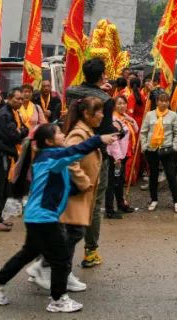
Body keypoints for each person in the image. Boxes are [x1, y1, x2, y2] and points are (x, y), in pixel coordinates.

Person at [0, 123, 120, 313]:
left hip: (38, 215)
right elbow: (76, 151)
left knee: (28, 253)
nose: (63, 135)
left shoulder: (47, 157)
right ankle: (58, 299)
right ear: (49, 141)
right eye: (59, 133)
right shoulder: (52, 156)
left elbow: (58, 185)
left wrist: (78, 188)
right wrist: (99, 139)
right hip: (43, 217)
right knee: (61, 258)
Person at [64, 58, 117, 269]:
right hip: (94, 154)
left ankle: (53, 251)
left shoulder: (71, 92)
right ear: (102, 75)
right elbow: (106, 130)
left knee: (67, 199)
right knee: (94, 203)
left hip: (71, 147)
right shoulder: (105, 99)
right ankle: (91, 251)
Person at [61, 96, 105, 284]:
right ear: (87, 114)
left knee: (71, 233)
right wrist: (83, 181)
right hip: (75, 193)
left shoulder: (87, 132)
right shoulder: (79, 134)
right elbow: (69, 160)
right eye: (99, 112)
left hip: (80, 193)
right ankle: (59, 273)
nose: (102, 116)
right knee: (74, 233)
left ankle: (50, 267)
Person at [0, 87, 28, 231]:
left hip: (8, 155)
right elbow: (14, 136)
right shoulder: (4, 115)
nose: (21, 101)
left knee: (4, 189)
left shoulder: (14, 113)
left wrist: (21, 131)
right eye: (18, 98)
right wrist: (21, 131)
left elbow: (24, 129)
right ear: (9, 98)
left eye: (22, 99)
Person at [139, 91, 177, 211]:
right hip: (152, 149)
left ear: (168, 102)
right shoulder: (149, 115)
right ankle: (154, 199)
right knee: (153, 175)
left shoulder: (173, 115)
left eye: (166, 101)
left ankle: (176, 201)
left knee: (171, 175)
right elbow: (143, 132)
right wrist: (144, 146)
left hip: (167, 149)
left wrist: (174, 147)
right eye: (161, 101)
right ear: (157, 102)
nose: (163, 103)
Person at [104, 96, 135, 219]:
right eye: (119, 104)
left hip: (124, 154)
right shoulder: (112, 119)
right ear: (114, 106)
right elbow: (113, 140)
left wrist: (128, 117)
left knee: (120, 181)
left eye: (124, 103)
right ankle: (109, 209)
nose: (122, 106)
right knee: (111, 183)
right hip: (114, 156)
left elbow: (136, 128)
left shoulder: (124, 118)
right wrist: (117, 158)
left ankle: (121, 204)